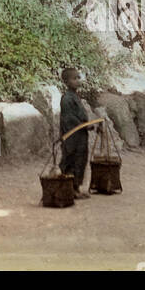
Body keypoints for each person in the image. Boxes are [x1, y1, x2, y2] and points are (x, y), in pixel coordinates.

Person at [59, 67, 94, 200]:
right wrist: (83, 125)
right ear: (66, 82)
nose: (77, 81)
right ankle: (69, 188)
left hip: (80, 135)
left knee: (81, 161)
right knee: (71, 160)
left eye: (78, 78)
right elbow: (69, 118)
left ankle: (76, 187)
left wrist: (87, 126)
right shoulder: (66, 98)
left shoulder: (75, 96)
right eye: (74, 79)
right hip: (71, 136)